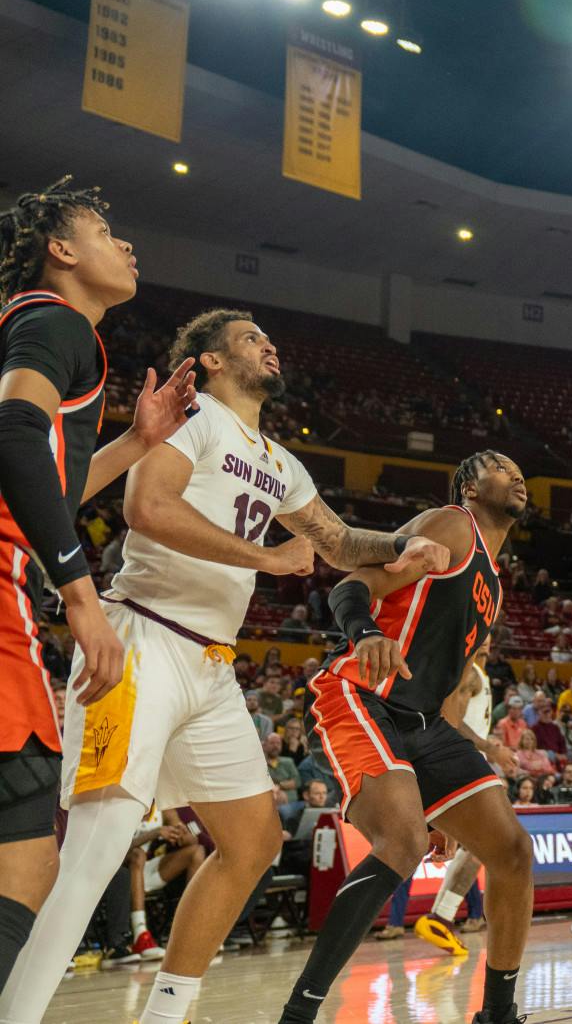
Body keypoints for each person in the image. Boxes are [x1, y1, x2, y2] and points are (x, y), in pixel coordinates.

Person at [7, 307, 440, 1024]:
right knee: (96, 847)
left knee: (253, 841)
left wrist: (402, 545)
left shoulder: (279, 461)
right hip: (142, 639)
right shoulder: (194, 416)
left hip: (211, 667)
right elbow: (147, 507)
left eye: (267, 338)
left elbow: (335, 542)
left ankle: (164, 1015)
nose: (268, 346)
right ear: (210, 359)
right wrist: (265, 557)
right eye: (250, 338)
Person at [0, 181, 199, 1000]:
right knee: (25, 862)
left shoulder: (35, 327)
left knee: (23, 860)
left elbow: (41, 486)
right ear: (61, 250)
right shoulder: (57, 322)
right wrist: (81, 596)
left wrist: (136, 442)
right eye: (105, 231)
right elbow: (14, 437)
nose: (127, 245)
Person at [277, 451, 533, 1024]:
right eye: (499, 467)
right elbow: (350, 588)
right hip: (361, 694)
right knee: (401, 841)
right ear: (469, 487)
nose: (516, 475)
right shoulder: (451, 525)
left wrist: (439, 802)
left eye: (519, 470)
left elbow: (447, 689)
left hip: (423, 720)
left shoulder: (492, 583)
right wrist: (366, 633)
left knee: (512, 851)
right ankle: (298, 1014)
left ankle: (497, 1014)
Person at [414, 639, 501, 956]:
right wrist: (489, 748)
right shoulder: (469, 672)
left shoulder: (480, 673)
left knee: (480, 846)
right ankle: (440, 917)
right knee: (488, 843)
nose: (486, 637)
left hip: (467, 762)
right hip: (459, 762)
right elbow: (451, 722)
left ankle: (440, 917)